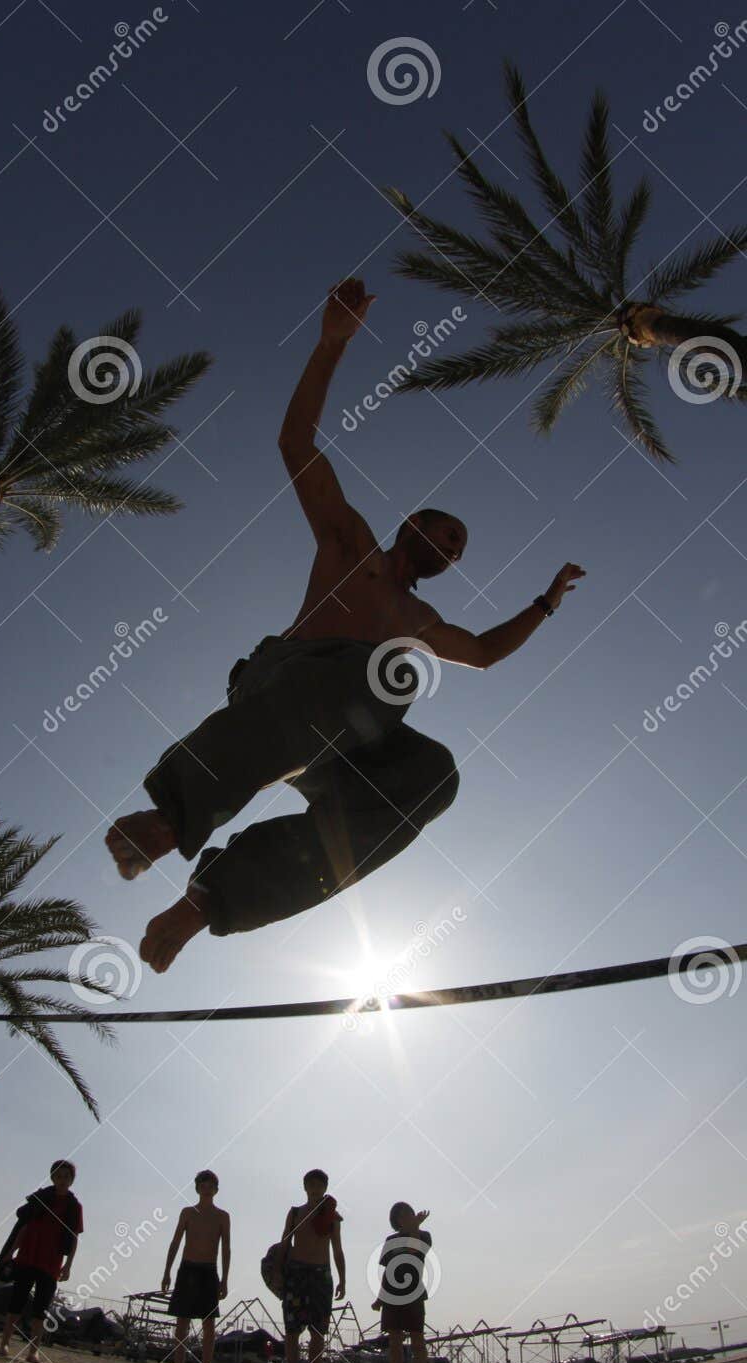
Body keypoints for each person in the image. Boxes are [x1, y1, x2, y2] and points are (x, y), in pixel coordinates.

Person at [106, 276, 585, 970]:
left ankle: (212, 899)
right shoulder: (349, 544)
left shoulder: (420, 618)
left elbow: (482, 652)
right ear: (409, 525)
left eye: (457, 549)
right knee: (386, 674)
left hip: (342, 734)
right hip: (284, 685)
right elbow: (296, 442)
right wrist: (331, 346)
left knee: (431, 772)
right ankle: (172, 813)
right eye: (444, 532)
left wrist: (544, 604)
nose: (450, 548)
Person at [0, 1159, 83, 1363]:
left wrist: (68, 1265)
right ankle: (4, 1343)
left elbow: (74, 1237)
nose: (62, 1181)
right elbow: (24, 1227)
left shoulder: (74, 1206)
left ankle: (33, 1350)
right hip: (28, 1256)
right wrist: (11, 1252)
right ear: (53, 1177)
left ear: (72, 1180)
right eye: (59, 1176)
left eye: (66, 1177)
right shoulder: (41, 1198)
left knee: (41, 1309)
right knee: (16, 1302)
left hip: (51, 1262)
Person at [279, 1168, 345, 1363]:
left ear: (325, 1188)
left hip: (321, 1275)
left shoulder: (332, 1217)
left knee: (318, 1331)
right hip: (296, 1274)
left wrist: (342, 1279)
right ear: (305, 1187)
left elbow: (337, 1248)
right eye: (311, 1185)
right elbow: (285, 1243)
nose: (316, 1189)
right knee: (292, 1331)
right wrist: (279, 1272)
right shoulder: (295, 1213)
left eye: (320, 1185)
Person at [162, 1170, 230, 1363]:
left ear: (216, 1189)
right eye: (203, 1184)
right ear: (197, 1187)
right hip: (188, 1269)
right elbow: (175, 1242)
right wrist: (167, 1271)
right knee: (182, 1322)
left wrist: (225, 1279)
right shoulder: (188, 1212)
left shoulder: (222, 1216)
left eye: (211, 1185)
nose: (207, 1188)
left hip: (209, 1271)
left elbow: (226, 1248)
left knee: (209, 1324)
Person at [372, 1202, 433, 1363]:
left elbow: (417, 1251)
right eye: (405, 1214)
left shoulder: (424, 1235)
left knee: (418, 1339)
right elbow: (388, 1271)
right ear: (397, 1220)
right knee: (395, 1342)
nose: (410, 1215)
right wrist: (380, 1298)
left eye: (410, 1212)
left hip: (414, 1293)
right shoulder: (391, 1240)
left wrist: (415, 1227)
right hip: (392, 1296)